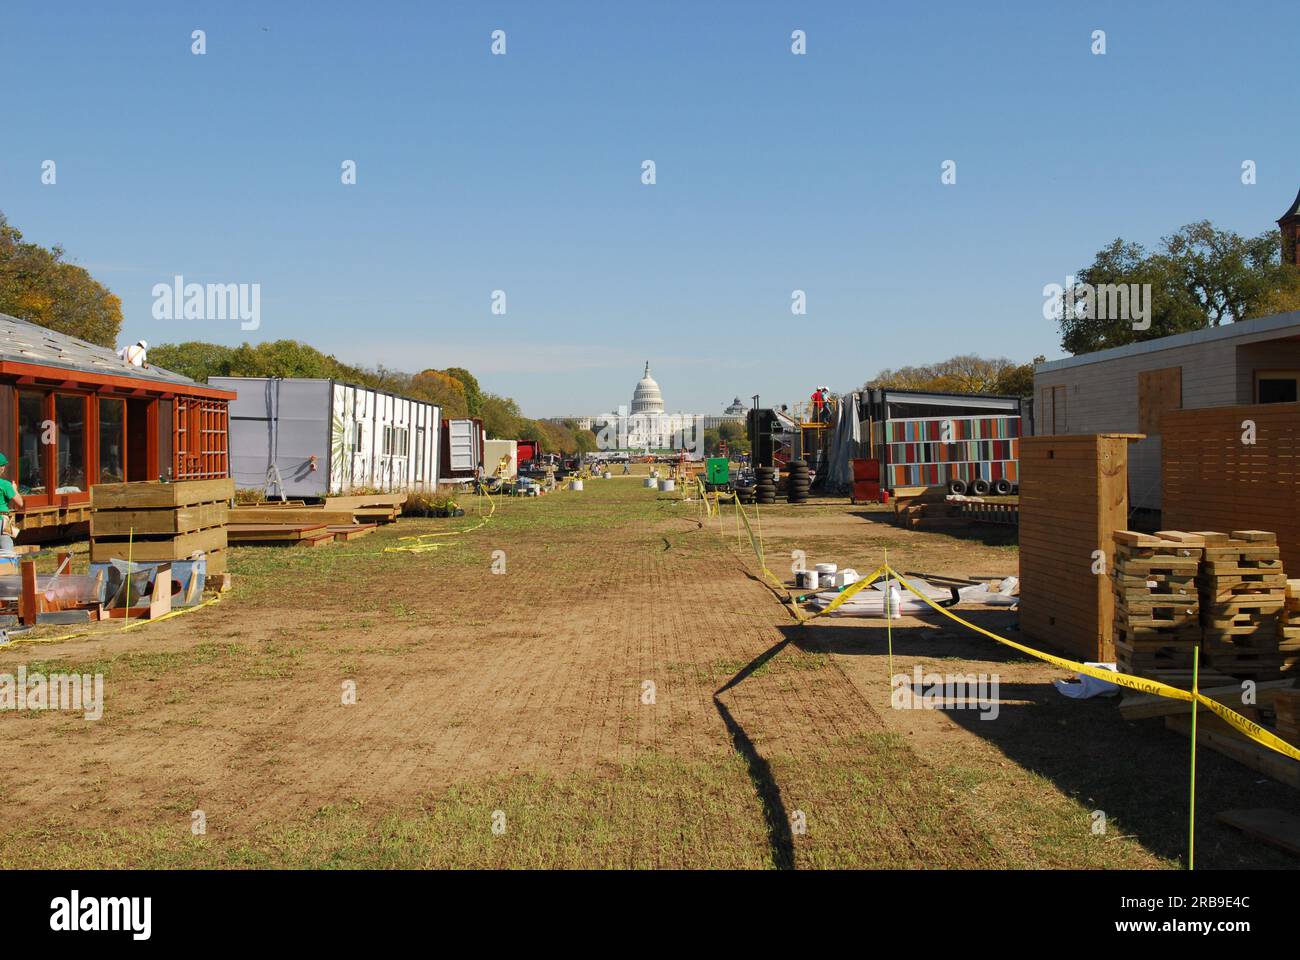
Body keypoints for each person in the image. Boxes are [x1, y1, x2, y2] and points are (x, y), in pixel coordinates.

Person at [0, 453, 24, 552]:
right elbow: (20, 503)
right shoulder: (5, 485)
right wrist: (15, 490)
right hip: (1, 521)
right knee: (8, 553)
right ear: (2, 468)